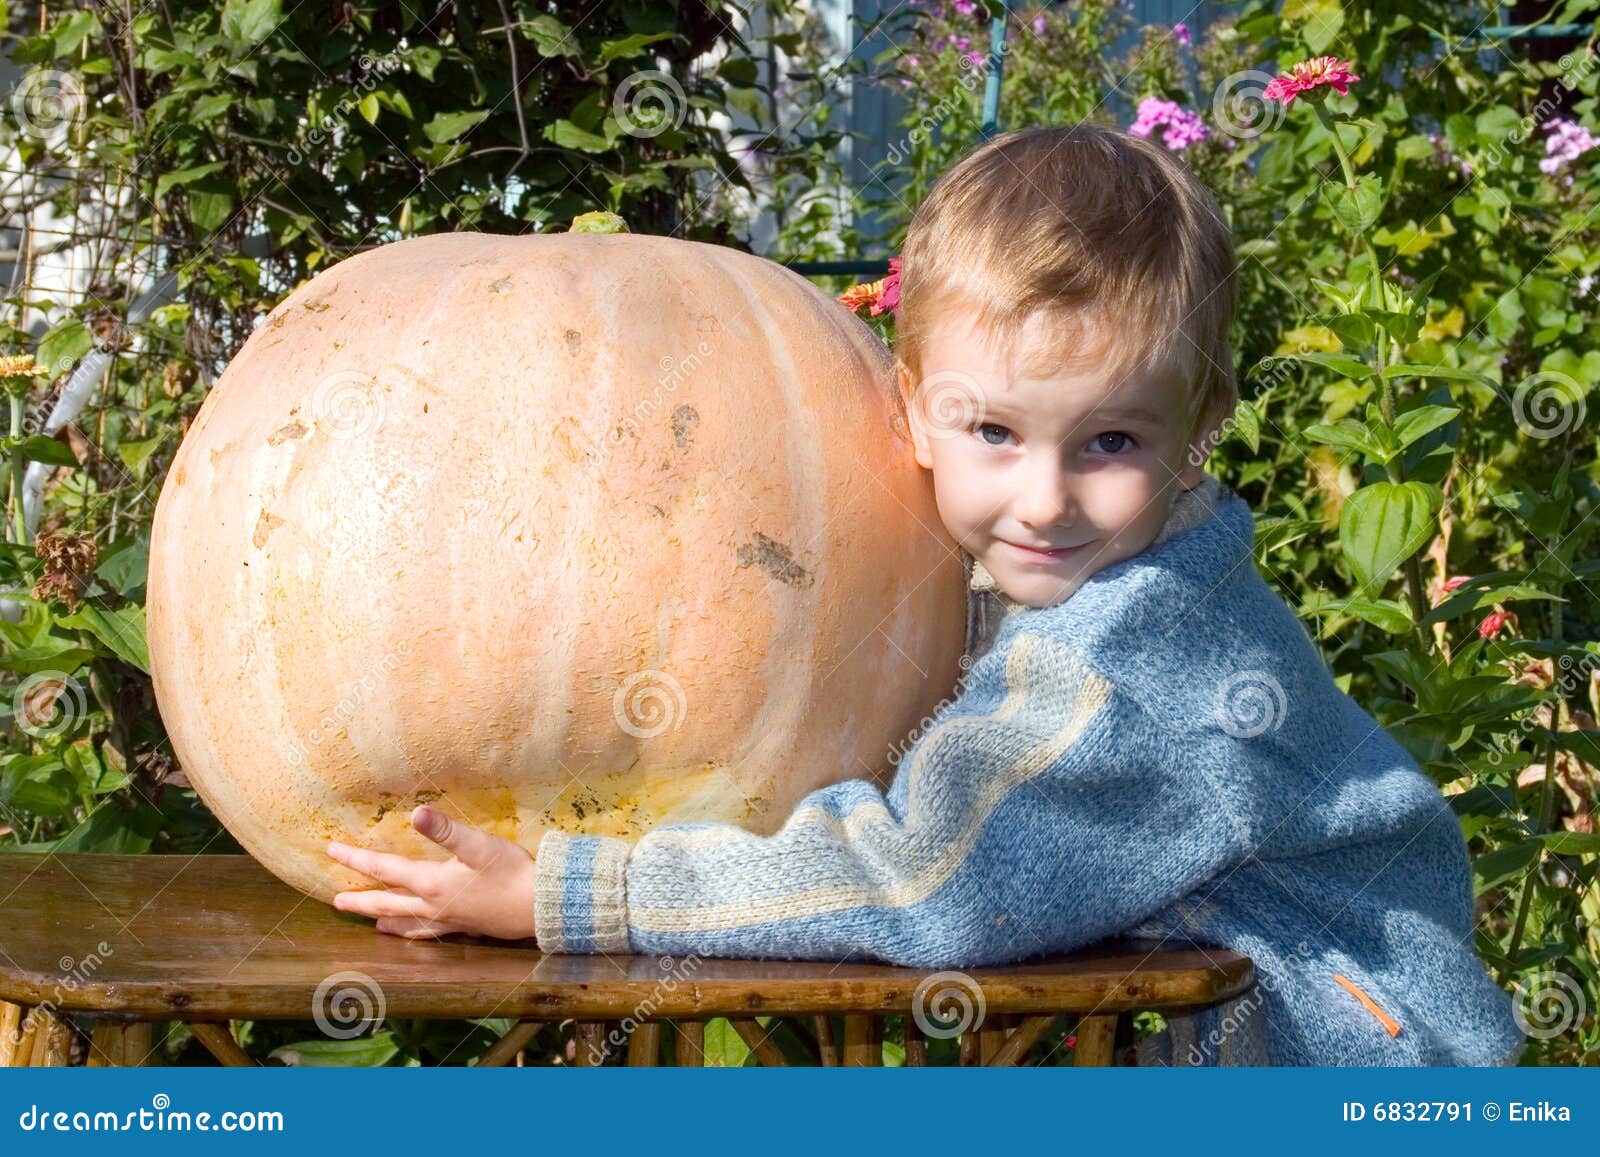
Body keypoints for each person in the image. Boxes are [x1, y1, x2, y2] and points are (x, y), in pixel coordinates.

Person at [325, 124, 1524, 1065]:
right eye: (994, 430)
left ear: (1200, 430)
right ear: (909, 411)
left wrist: (574, 890)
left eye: (1109, 441)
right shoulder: (1131, 573)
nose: (1044, 499)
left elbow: (922, 880)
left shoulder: (1129, 669)